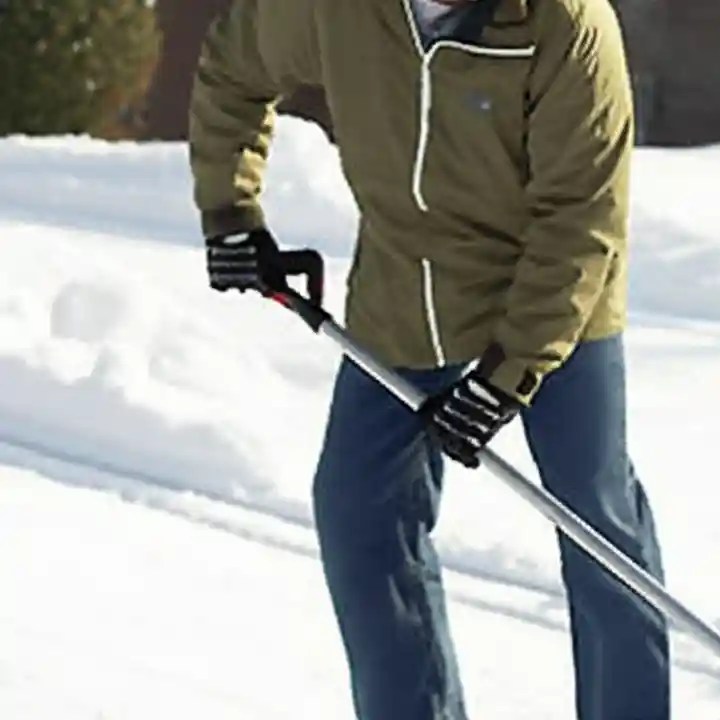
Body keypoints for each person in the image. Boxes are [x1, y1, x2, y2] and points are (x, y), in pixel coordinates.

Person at [189, 0, 670, 718]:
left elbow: (580, 218)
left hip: (555, 303)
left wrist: (511, 374)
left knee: (595, 523)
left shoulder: (567, 24)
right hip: (405, 295)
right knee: (359, 514)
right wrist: (230, 212)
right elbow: (233, 64)